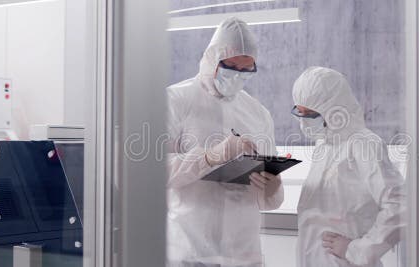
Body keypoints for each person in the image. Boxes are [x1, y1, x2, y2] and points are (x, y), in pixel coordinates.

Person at [165, 17, 284, 267]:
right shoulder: (176, 100)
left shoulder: (258, 113)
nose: (237, 75)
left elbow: (268, 196)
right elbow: (153, 175)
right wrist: (210, 157)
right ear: (212, 59)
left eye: (246, 69)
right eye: (231, 66)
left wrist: (272, 189)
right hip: (191, 251)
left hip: (243, 254)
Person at [291, 67, 406, 267]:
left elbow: (400, 206)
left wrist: (357, 250)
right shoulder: (324, 144)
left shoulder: (363, 144)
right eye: (300, 112)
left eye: (311, 114)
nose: (304, 122)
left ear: (334, 108)